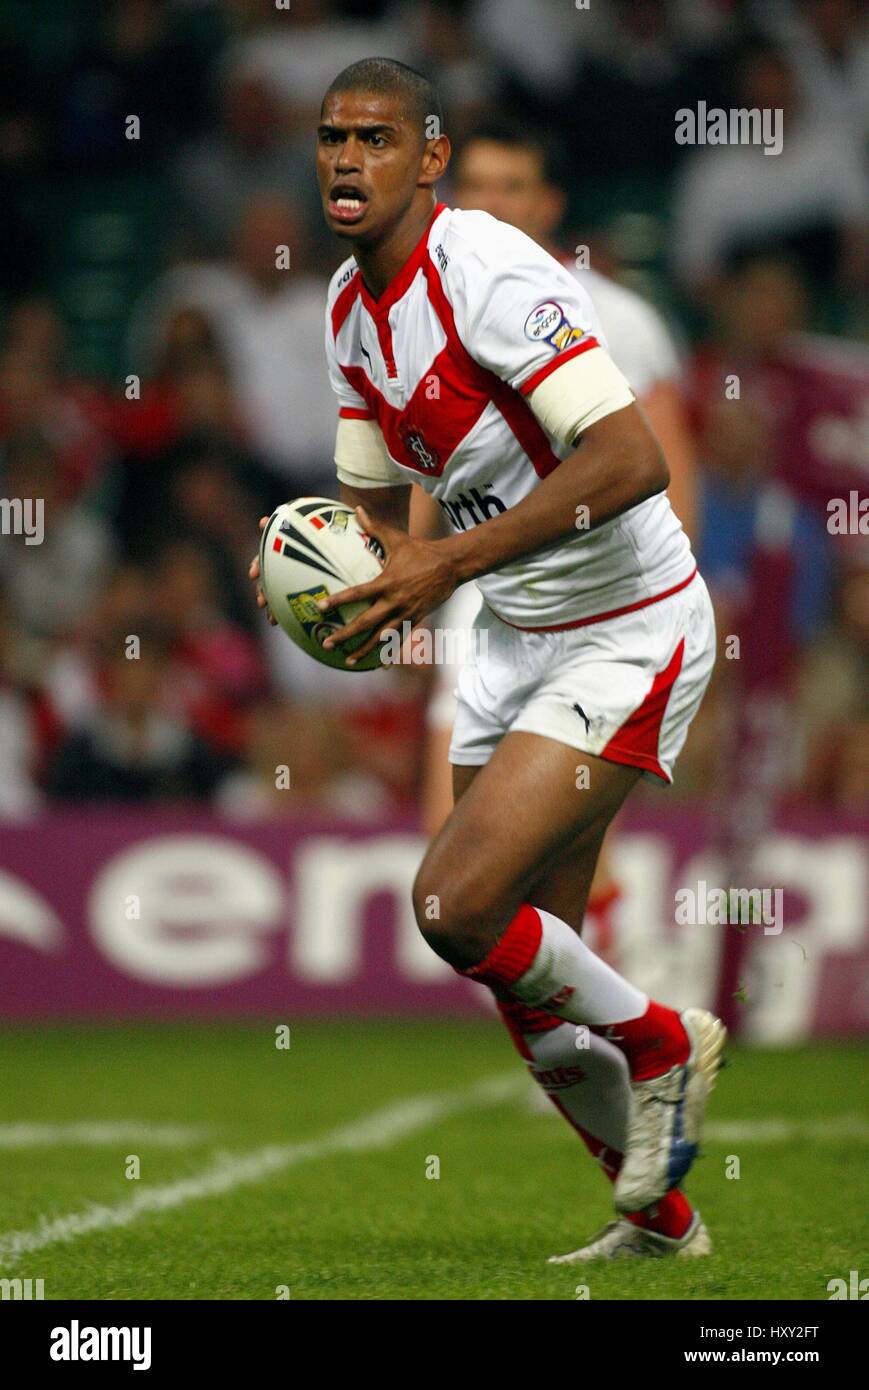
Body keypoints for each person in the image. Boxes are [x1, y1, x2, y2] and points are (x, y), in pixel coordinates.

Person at [249, 58, 725, 1262]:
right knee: (529, 974)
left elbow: (631, 462)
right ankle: (658, 1221)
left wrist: (444, 567)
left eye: (373, 135)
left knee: (451, 906)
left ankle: (664, 1039)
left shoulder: (493, 275)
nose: (345, 157)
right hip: (514, 636)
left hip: (626, 626)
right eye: (329, 137)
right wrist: (312, 573)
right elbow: (369, 517)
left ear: (428, 156)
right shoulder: (348, 310)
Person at [420, 121, 699, 962]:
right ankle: (603, 1014)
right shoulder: (429, 305)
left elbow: (664, 461)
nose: (492, 203)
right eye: (478, 185)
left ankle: (604, 1010)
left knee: (544, 841)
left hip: (604, 588)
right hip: (479, 582)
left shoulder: (617, 316)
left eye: (512, 186)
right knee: (454, 843)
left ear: (548, 204)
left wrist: (670, 599)